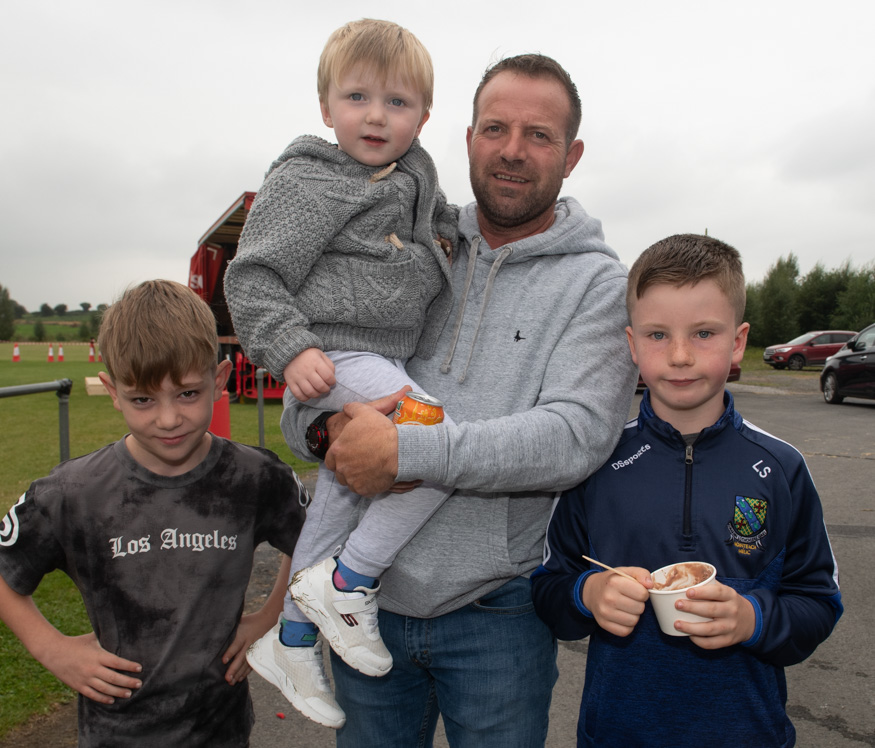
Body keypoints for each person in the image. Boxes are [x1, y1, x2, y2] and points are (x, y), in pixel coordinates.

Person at [281, 54, 639, 747]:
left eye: (538, 135)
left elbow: (572, 438)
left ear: (571, 155)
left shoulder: (598, 285)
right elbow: (318, 389)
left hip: (497, 613)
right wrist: (329, 436)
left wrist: (404, 451)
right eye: (494, 128)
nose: (511, 150)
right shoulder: (413, 243)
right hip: (364, 608)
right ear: (468, 136)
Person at [223, 18, 458, 730]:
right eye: (357, 97)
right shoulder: (308, 181)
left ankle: (292, 638)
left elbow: (443, 223)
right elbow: (253, 276)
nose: (376, 116)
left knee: (342, 489)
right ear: (326, 107)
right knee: (438, 443)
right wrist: (291, 349)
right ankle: (349, 581)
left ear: (422, 115)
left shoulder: (416, 173)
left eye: (396, 102)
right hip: (336, 354)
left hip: (386, 359)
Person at [531, 234, 843, 747]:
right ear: (631, 344)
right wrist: (587, 593)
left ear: (738, 341)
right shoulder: (596, 460)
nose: (678, 356)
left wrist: (753, 618)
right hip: (617, 734)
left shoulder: (781, 467)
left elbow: (817, 602)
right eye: (657, 335)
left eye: (703, 333)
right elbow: (548, 587)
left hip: (748, 734)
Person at [0, 280, 307, 747]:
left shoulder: (256, 476)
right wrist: (52, 649)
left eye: (187, 393)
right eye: (143, 399)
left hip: (221, 729)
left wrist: (269, 617)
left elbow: (313, 539)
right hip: (115, 735)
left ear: (219, 380)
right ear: (113, 391)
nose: (168, 419)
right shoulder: (72, 493)